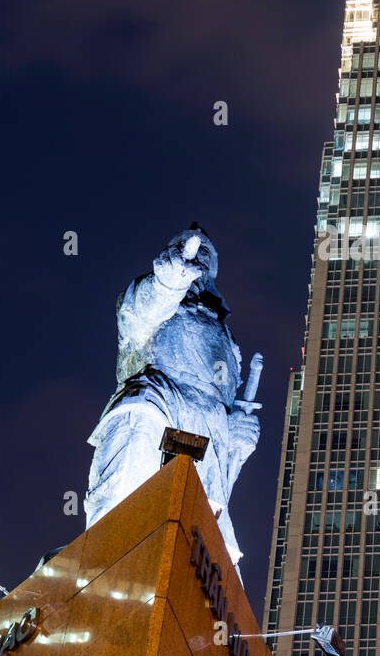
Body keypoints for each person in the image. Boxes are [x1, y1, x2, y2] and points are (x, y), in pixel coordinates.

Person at [84, 224, 260, 573]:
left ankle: (199, 594)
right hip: (161, 394)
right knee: (133, 455)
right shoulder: (151, 294)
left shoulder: (228, 337)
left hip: (210, 423)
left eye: (207, 254)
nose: (198, 256)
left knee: (210, 527)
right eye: (189, 248)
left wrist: (238, 436)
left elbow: (227, 415)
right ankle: (106, 560)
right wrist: (168, 281)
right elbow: (138, 317)